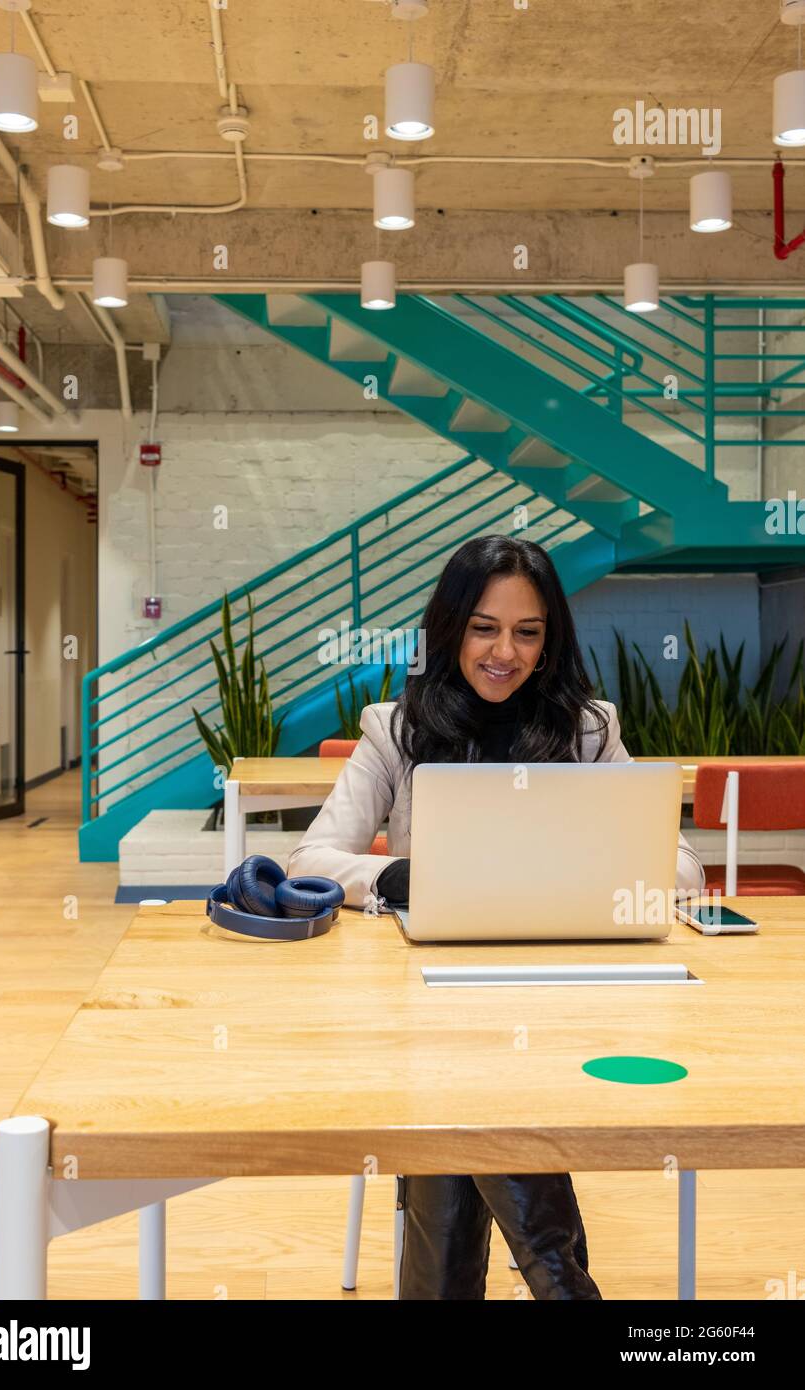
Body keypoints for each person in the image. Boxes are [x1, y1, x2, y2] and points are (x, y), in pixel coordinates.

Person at [288, 534, 704, 1300]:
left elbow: (681, 869)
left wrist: (569, 877)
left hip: (557, 1005)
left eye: (528, 631)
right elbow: (311, 863)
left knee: (464, 1086)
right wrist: (406, 876)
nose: (504, 651)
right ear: (449, 628)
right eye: (484, 627)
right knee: (468, 1073)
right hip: (429, 1000)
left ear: (550, 641)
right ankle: (559, 1280)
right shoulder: (394, 727)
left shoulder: (588, 730)